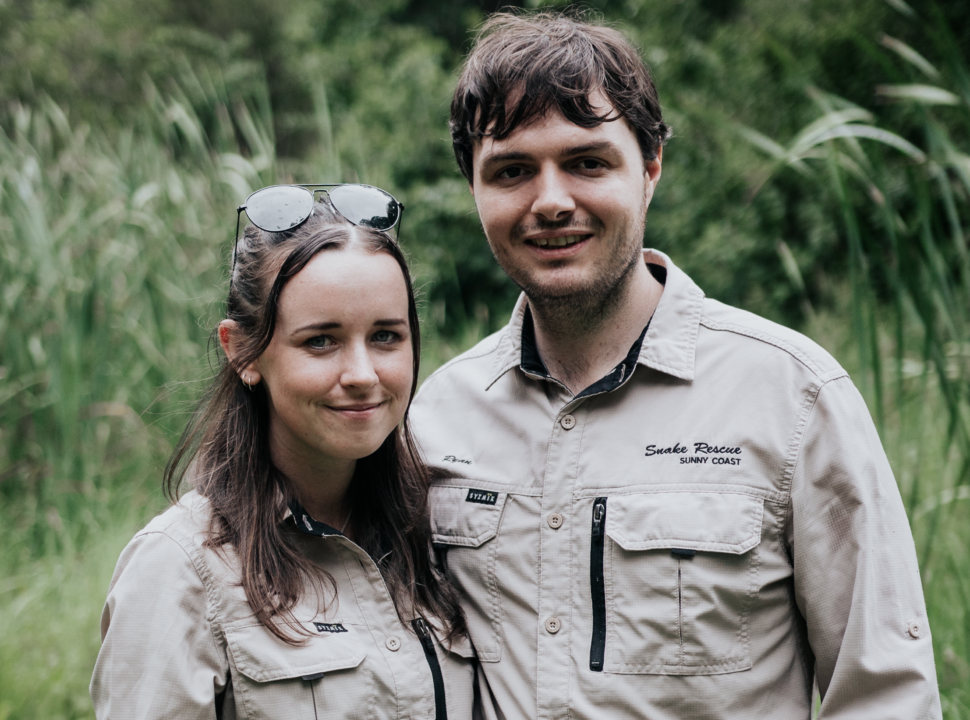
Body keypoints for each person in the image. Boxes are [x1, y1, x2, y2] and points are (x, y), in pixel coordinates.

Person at [410, 12, 942, 720]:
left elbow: (885, 696)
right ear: (473, 189)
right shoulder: (437, 415)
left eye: (587, 162)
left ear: (651, 169)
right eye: (512, 171)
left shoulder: (792, 396)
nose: (551, 201)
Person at [91, 187, 477, 720]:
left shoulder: (440, 534)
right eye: (321, 341)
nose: (363, 375)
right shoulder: (180, 569)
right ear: (242, 352)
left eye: (387, 336)